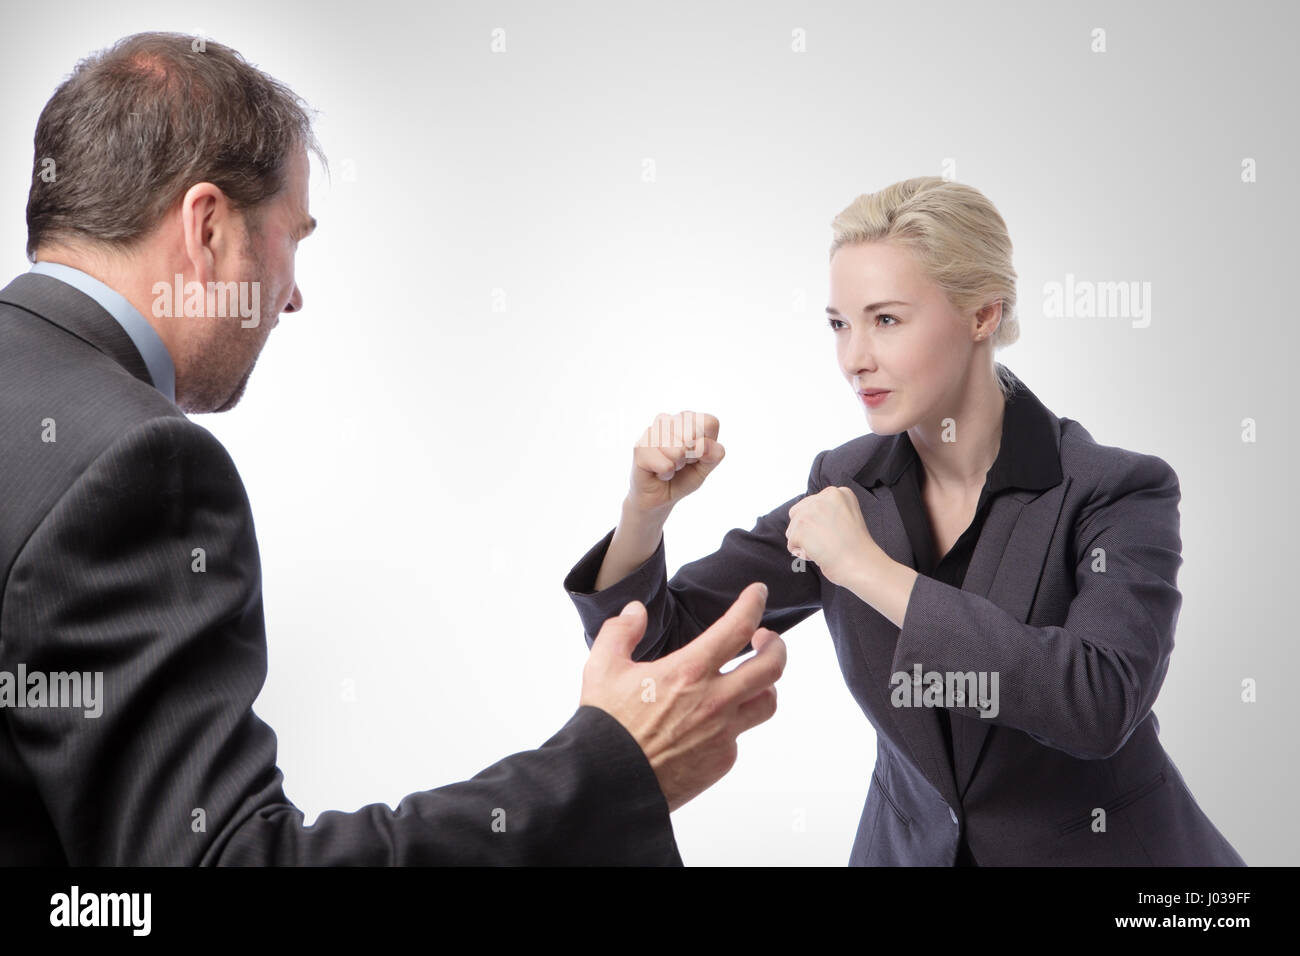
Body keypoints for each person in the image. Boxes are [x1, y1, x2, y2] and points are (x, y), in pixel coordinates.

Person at [0, 31, 788, 865]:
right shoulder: (139, 464)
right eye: (290, 237)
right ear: (207, 227)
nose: (291, 295)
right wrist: (611, 769)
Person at [563, 176, 1247, 866]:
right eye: (839, 323)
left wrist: (867, 570)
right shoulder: (846, 484)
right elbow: (655, 648)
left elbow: (1098, 703)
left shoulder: (1115, 490)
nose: (854, 358)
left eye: (886, 319)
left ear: (983, 314)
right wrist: (644, 515)